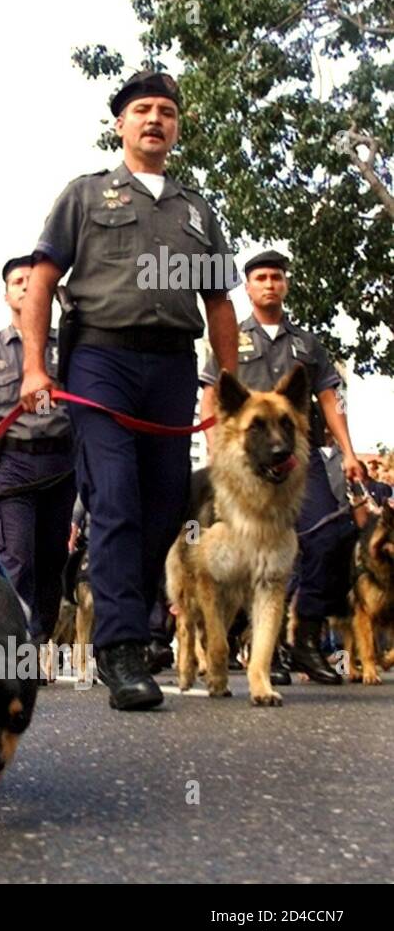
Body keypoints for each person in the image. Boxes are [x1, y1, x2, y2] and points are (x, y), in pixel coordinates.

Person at [21, 69, 240, 712]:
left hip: (172, 365)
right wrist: (37, 366)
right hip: (100, 361)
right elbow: (41, 278)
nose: (154, 119)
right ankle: (120, 649)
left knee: (168, 503)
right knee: (113, 496)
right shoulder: (85, 196)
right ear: (120, 124)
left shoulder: (196, 210)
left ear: (177, 127)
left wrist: (232, 393)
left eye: (166, 112)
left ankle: (131, 623)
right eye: (142, 109)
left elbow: (219, 302)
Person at [198, 250, 360, 684]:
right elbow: (213, 395)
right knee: (230, 560)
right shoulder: (231, 340)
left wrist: (348, 451)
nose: (270, 284)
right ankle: (238, 645)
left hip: (293, 464)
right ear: (248, 287)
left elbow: (329, 398)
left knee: (331, 534)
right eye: (260, 278)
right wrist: (214, 448)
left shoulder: (307, 345)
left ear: (285, 285)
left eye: (276, 277)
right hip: (243, 470)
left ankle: (303, 640)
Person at [0, 256, 75, 658]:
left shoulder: (69, 348)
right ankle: (15, 647)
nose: (25, 286)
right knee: (16, 558)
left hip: (63, 464)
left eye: (32, 280)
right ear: (6, 294)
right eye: (17, 281)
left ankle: (38, 643)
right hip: (13, 466)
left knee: (52, 560)